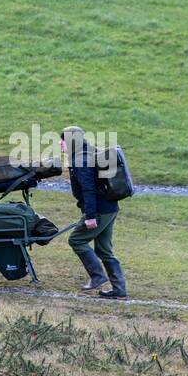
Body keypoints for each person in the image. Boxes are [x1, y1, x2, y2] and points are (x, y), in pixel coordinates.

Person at [61, 126, 126, 298]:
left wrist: (90, 216)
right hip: (110, 208)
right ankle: (119, 290)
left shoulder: (81, 160)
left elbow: (88, 190)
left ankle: (97, 276)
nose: (61, 144)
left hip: (100, 210)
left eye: (63, 140)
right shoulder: (88, 152)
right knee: (104, 250)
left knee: (76, 240)